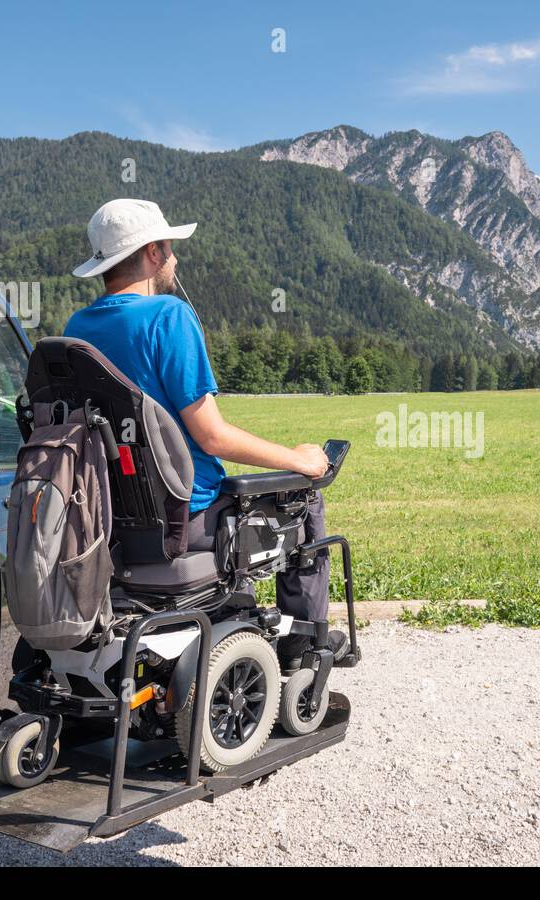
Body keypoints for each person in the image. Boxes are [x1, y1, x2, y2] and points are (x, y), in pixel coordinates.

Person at [64, 199, 344, 662]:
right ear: (153, 252)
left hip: (107, 517)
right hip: (184, 518)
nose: (175, 258)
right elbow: (212, 437)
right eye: (170, 248)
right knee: (305, 496)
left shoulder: (78, 328)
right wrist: (298, 460)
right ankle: (305, 644)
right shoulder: (168, 317)